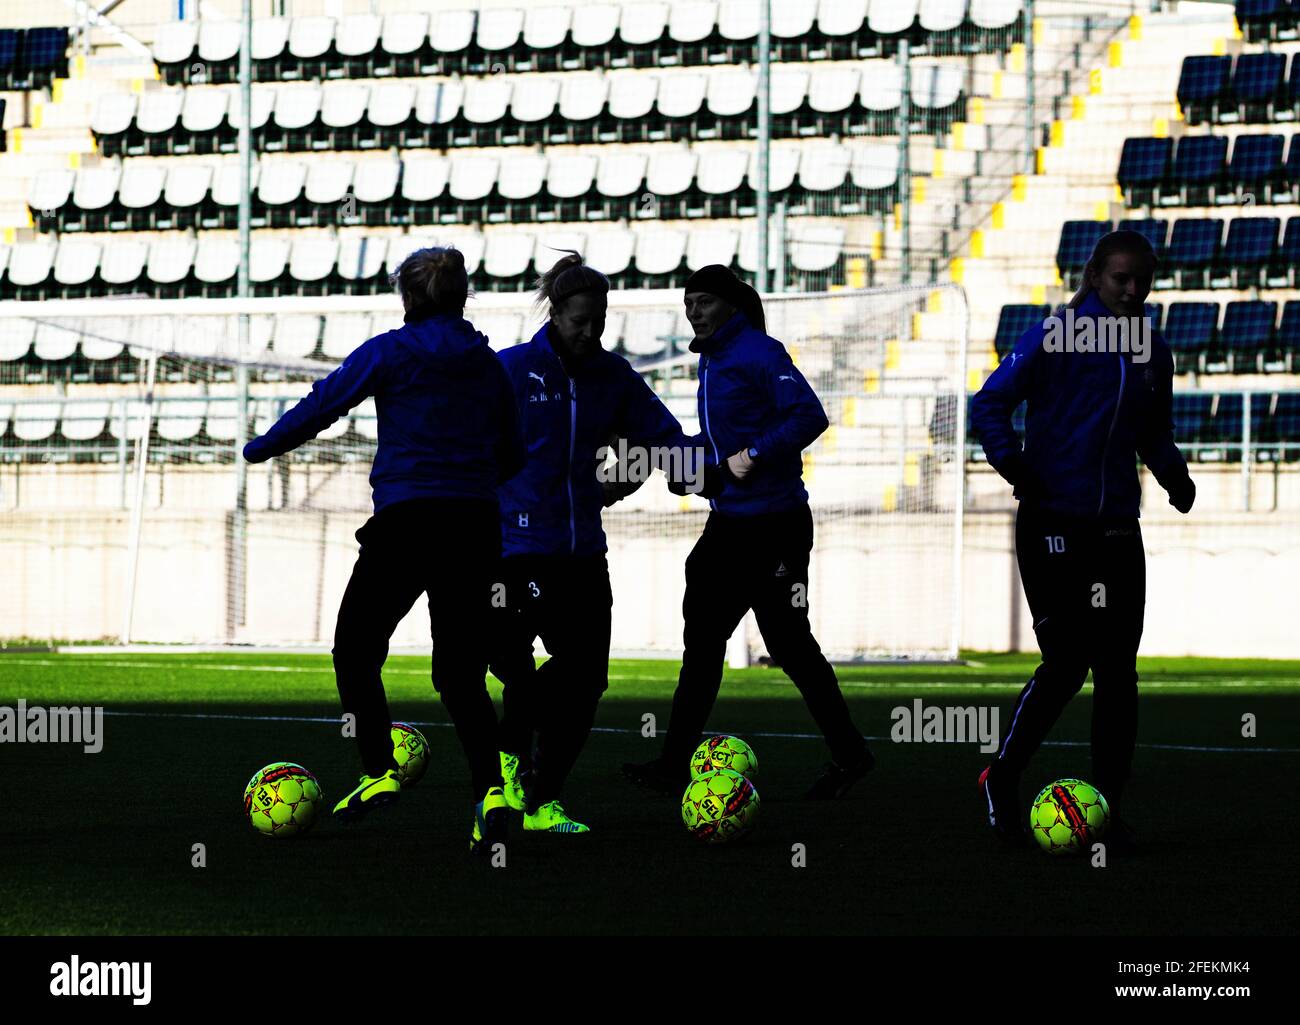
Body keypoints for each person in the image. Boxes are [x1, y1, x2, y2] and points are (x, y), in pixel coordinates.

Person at [242, 247, 525, 856]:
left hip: (406, 522)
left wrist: (262, 447)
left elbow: (325, 403)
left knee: (357, 648)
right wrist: (472, 480)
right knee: (459, 674)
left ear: (406, 297)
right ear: (463, 296)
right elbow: (515, 452)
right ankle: (491, 793)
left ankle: (379, 768)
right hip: (475, 527)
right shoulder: (487, 363)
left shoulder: (389, 351)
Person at [970, 229, 1195, 852]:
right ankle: (1001, 777)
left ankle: (1109, 810)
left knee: (1119, 672)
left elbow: (1154, 430)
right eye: (1121, 278)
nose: (1133, 290)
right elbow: (988, 403)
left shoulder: (1152, 348)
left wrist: (1174, 474)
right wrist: (1013, 464)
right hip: (1052, 525)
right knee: (1068, 662)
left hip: (1118, 528)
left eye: (1141, 280)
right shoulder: (1055, 335)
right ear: (1094, 276)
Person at [623, 264, 875, 798]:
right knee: (705, 643)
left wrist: (751, 456)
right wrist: (689, 464)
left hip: (775, 526)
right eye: (689, 303)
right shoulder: (713, 361)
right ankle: (673, 762)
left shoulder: (759, 352)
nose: (694, 311)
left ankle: (851, 754)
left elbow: (809, 416)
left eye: (704, 302)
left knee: (788, 644)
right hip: (732, 524)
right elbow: (719, 442)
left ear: (731, 306)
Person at [490, 251, 714, 833]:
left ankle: (541, 799)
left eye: (599, 320)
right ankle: (505, 762)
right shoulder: (510, 371)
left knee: (587, 680)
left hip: (583, 554)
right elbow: (471, 446)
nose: (590, 331)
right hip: (514, 551)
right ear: (555, 312)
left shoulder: (614, 377)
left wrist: (705, 468)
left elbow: (664, 439)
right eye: (579, 320)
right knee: (512, 667)